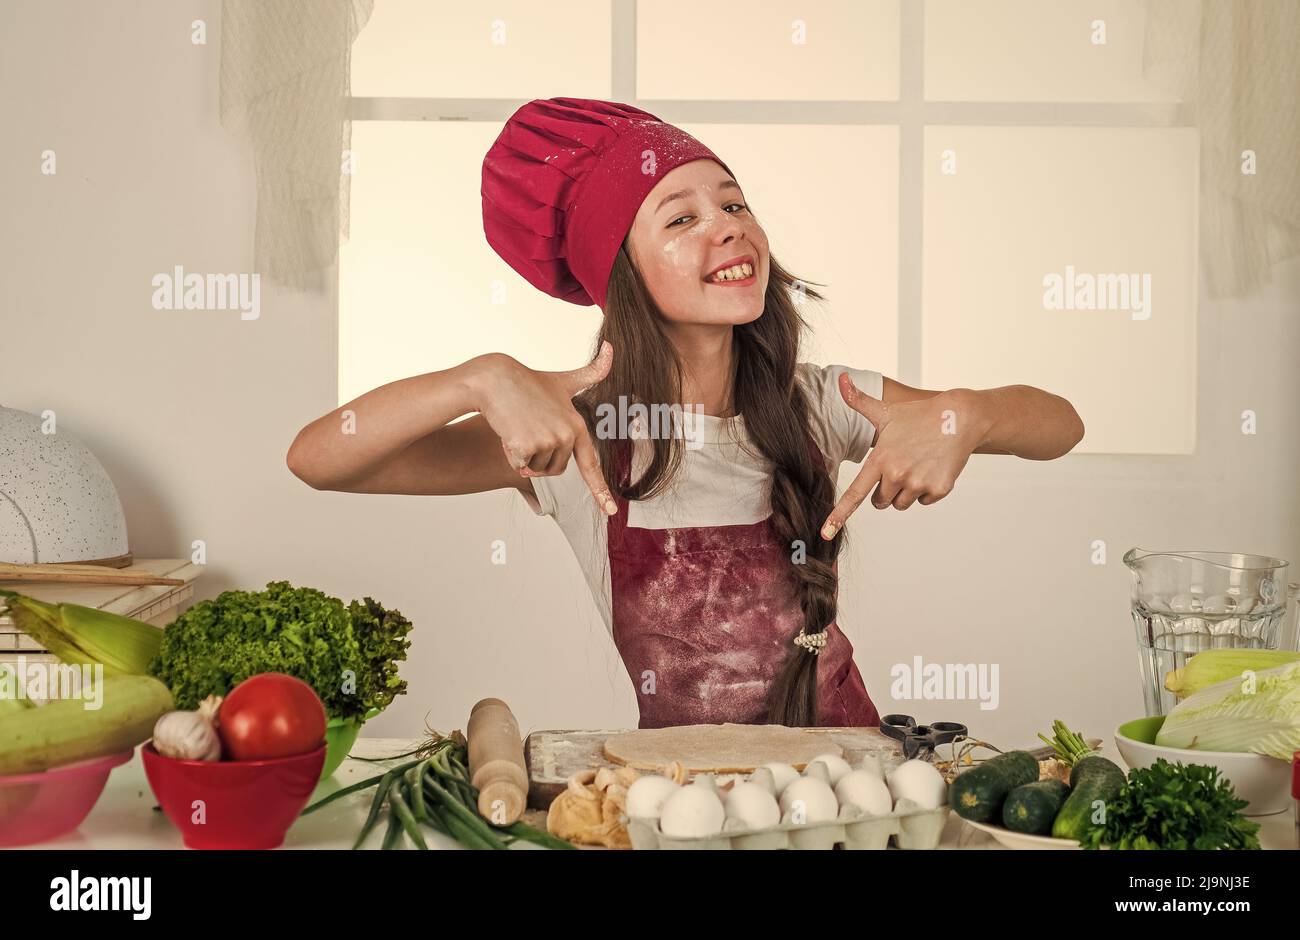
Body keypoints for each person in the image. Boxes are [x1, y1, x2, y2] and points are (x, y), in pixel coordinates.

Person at [287, 97, 1084, 730]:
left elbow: (1060, 427)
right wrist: (479, 378)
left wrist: (963, 415)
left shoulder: (823, 400)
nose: (729, 223)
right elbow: (320, 459)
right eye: (681, 217)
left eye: (734, 203)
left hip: (851, 782)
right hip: (679, 800)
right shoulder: (577, 438)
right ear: (620, 273)